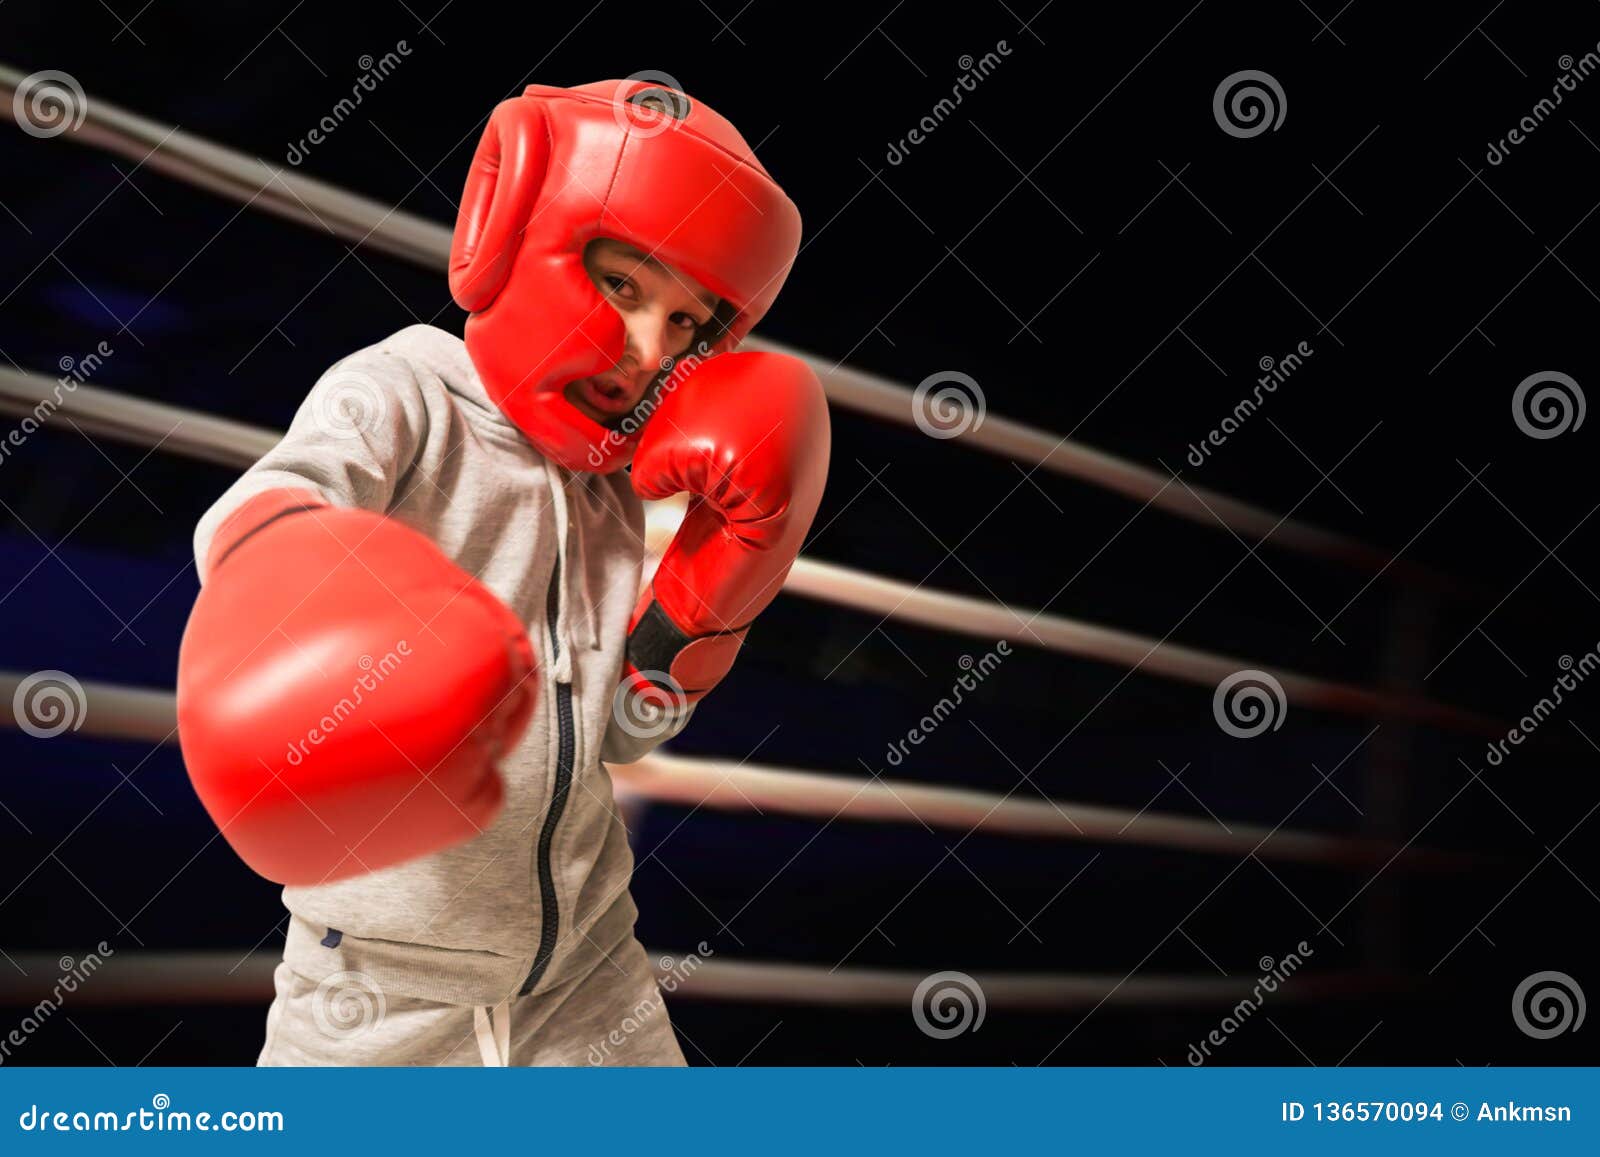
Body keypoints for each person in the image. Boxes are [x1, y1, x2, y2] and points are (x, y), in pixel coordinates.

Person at [174, 78, 830, 1066]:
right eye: (623, 285)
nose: (650, 348)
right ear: (515, 229)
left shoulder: (612, 494)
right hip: (377, 991)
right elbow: (267, 508)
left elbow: (618, 729)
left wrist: (714, 591)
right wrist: (313, 606)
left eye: (689, 322)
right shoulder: (405, 391)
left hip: (587, 968)